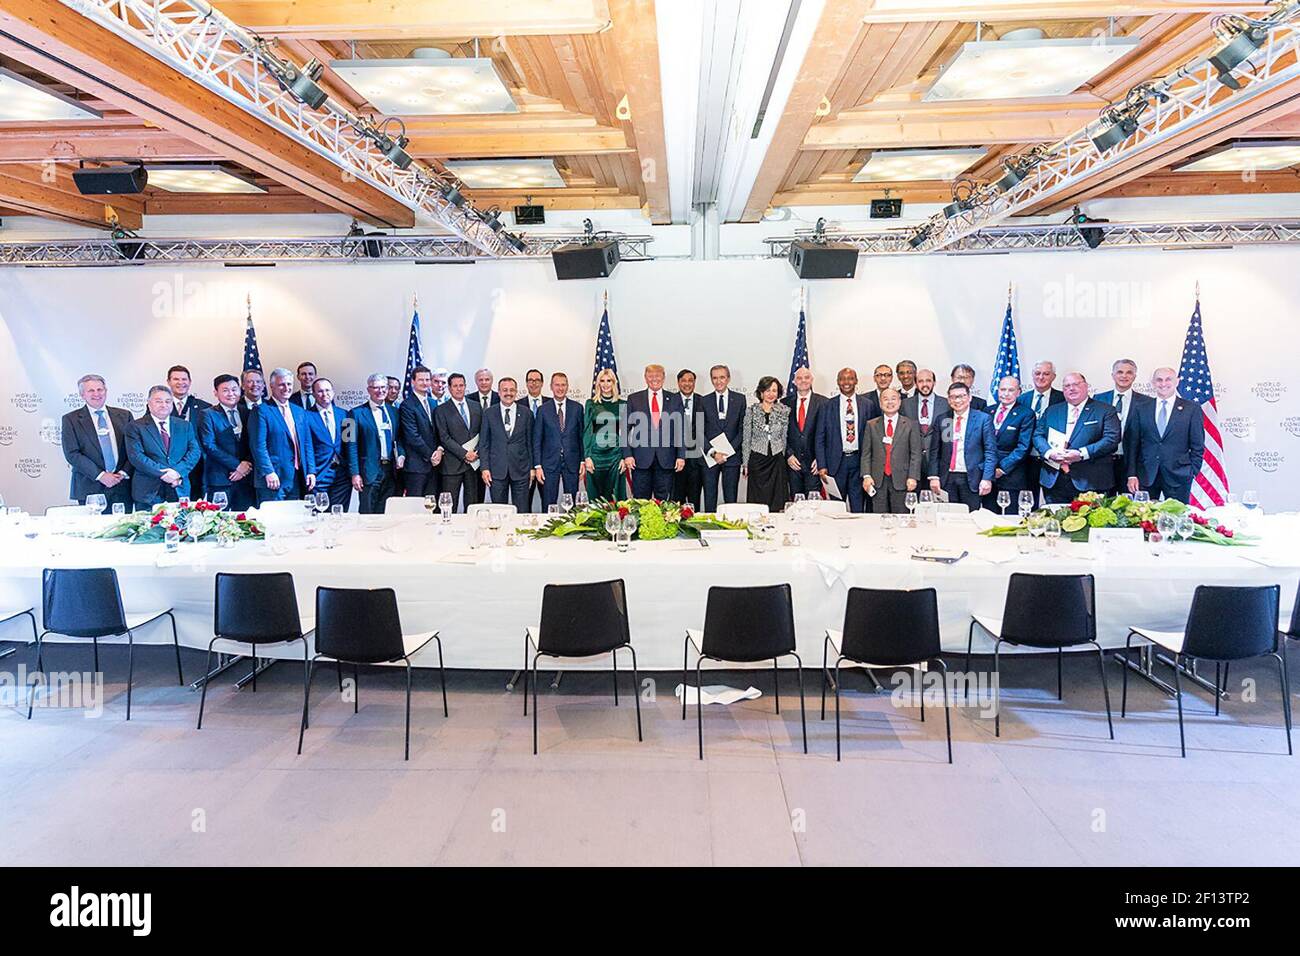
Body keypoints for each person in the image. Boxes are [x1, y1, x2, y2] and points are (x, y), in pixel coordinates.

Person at [1033, 371, 1121, 503]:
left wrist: (1081, 454)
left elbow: (1111, 440)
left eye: (1076, 384)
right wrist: (1049, 453)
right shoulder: (1052, 410)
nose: (1071, 389)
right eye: (1067, 386)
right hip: (1054, 480)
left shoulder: (1105, 410)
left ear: (1086, 386)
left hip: (1090, 481)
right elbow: (1038, 435)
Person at [1125, 367, 1205, 504]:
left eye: (1168, 379)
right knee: (1144, 520)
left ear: (1177, 382)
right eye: (1159, 380)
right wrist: (1132, 474)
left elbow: (1197, 445)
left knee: (1177, 519)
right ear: (1153, 383)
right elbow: (1133, 444)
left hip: (1179, 476)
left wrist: (1192, 472)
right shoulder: (1141, 408)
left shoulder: (1192, 409)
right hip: (1145, 476)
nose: (1163, 383)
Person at [61, 374, 132, 509]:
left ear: (106, 391)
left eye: (100, 389)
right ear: (82, 395)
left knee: (126, 529)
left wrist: (122, 473)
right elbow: (72, 453)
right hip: (90, 487)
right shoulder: (71, 419)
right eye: (91, 391)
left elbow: (133, 449)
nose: (96, 394)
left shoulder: (124, 415)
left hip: (122, 486)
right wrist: (101, 476)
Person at [125, 385, 201, 508]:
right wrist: (163, 474)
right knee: (148, 527)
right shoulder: (135, 426)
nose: (163, 405)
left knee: (180, 526)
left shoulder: (184, 425)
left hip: (178, 487)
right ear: (149, 404)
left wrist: (177, 472)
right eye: (158, 401)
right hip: (148, 492)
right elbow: (136, 456)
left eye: (167, 401)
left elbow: (194, 452)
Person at [249, 367, 318, 503]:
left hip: (296, 478)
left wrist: (311, 471)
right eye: (281, 384)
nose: (286, 388)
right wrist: (268, 471)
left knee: (293, 520)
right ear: (272, 386)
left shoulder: (299, 411)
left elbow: (307, 443)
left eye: (289, 384)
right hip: (273, 478)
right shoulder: (261, 411)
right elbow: (258, 446)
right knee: (273, 521)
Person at [813, 367, 877, 513]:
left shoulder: (868, 405)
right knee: (836, 507)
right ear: (837, 382)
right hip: (836, 463)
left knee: (858, 506)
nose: (846, 382)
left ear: (856, 381)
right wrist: (822, 465)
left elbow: (873, 437)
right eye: (842, 379)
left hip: (859, 462)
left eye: (850, 378)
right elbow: (820, 437)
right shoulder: (827, 405)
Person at [928, 382, 996, 511]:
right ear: (948, 399)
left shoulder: (983, 419)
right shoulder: (943, 419)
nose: (957, 400)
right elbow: (935, 452)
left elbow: (990, 452)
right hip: (946, 478)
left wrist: (987, 478)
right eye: (953, 397)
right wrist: (934, 477)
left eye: (961, 396)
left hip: (972, 478)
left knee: (971, 518)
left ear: (969, 397)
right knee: (947, 518)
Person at [622, 364, 685, 500]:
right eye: (650, 376)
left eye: (658, 375)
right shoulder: (634, 399)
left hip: (666, 459)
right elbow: (624, 429)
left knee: (664, 504)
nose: (654, 379)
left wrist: (681, 456)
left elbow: (680, 430)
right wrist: (627, 455)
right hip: (640, 460)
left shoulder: (675, 399)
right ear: (645, 378)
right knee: (640, 502)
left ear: (663, 378)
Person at [1095, 358, 1153, 494]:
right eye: (1120, 372)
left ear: (1134, 376)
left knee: (1128, 508)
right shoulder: (1098, 399)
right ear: (1113, 375)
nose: (1124, 376)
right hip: (1103, 463)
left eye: (1129, 372)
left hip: (1132, 465)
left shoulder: (1147, 402)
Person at [197, 374, 255, 512]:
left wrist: (246, 465)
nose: (231, 393)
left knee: (245, 522)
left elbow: (254, 442)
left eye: (234, 389)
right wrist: (237, 466)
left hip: (246, 478)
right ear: (215, 393)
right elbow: (209, 445)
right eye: (225, 390)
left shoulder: (248, 412)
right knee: (220, 523)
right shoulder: (207, 414)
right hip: (220, 478)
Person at [860, 387, 922, 514]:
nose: (890, 402)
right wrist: (866, 476)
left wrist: (913, 476)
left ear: (899, 402)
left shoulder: (911, 425)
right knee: (879, 517)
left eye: (893, 399)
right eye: (885, 399)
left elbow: (915, 454)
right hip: (877, 480)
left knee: (901, 517)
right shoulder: (871, 425)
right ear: (880, 403)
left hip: (903, 480)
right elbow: (866, 453)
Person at [347, 373, 403, 513]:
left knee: (387, 513)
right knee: (367, 513)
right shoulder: (353, 413)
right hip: (369, 472)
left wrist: (401, 454)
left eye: (383, 387)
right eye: (376, 388)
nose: (380, 391)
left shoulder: (395, 412)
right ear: (368, 390)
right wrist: (355, 473)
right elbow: (350, 446)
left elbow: (400, 439)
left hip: (391, 471)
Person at [479, 377, 534, 512]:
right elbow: (484, 443)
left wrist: (532, 468)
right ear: (498, 392)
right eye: (505, 390)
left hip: (521, 470)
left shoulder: (527, 413)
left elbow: (530, 443)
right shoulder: (489, 413)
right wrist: (484, 468)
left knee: (522, 510)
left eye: (511, 390)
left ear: (516, 392)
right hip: (496, 471)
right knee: (498, 511)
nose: (508, 393)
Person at [533, 371, 585, 509]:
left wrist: (582, 460)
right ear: (551, 386)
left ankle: (573, 529)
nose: (560, 388)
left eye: (563, 385)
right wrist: (537, 465)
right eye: (557, 385)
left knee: (573, 504)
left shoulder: (577, 408)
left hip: (572, 462)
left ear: (567, 386)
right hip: (549, 463)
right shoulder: (543, 410)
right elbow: (537, 439)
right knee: (549, 503)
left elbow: (581, 437)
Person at [984, 375, 1036, 512]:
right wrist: (988, 469)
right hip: (987, 476)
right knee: (987, 518)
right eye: (1003, 389)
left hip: (1011, 477)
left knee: (1009, 521)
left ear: (1019, 392)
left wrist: (1002, 469)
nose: (1006, 394)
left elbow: (1023, 448)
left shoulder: (1026, 414)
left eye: (1011, 390)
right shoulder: (988, 411)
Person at [433, 372, 483, 511]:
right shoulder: (441, 410)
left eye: (461, 385)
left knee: (472, 505)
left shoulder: (476, 406)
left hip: (473, 464)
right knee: (449, 505)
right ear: (449, 388)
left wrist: (475, 453)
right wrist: (464, 453)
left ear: (465, 386)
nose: (459, 388)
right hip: (452, 465)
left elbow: (483, 433)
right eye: (455, 386)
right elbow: (444, 437)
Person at [741, 376, 791, 513]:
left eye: (774, 391)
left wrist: (783, 455)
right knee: (758, 500)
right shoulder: (751, 411)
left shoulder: (784, 411)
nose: (771, 394)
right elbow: (746, 439)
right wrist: (745, 463)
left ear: (778, 393)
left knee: (778, 498)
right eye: (767, 390)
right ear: (761, 393)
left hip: (777, 460)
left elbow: (785, 436)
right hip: (757, 460)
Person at [700, 364, 745, 511]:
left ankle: (731, 528)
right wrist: (713, 453)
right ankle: (709, 529)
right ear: (711, 380)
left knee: (731, 499)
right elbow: (699, 432)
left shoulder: (740, 399)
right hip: (710, 457)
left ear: (728, 379)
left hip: (732, 457)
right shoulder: (703, 401)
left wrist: (728, 451)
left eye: (722, 377)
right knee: (709, 498)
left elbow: (742, 430)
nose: (718, 381)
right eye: (715, 378)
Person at [1017, 360, 1065, 498]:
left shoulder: (1063, 398)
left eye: (1046, 374)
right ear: (1032, 375)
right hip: (1026, 460)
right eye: (1037, 373)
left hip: (1053, 459)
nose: (1041, 377)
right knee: (1027, 500)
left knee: (1054, 501)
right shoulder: (1022, 399)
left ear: (1053, 377)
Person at [305, 377, 352, 511]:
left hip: (342, 475)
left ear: (333, 392)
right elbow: (307, 447)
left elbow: (351, 445)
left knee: (339, 514)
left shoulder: (346, 414)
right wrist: (311, 472)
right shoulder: (306, 416)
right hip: (319, 474)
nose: (324, 394)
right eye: (319, 391)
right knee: (318, 515)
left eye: (327, 390)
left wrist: (353, 471)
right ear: (313, 394)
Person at [398, 365, 443, 499]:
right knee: (416, 508)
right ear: (412, 381)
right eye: (421, 380)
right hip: (416, 467)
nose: (425, 383)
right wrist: (432, 455)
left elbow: (440, 431)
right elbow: (412, 436)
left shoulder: (433, 403)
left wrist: (440, 450)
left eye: (427, 380)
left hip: (435, 466)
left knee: (432, 507)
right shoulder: (407, 405)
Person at [782, 366, 827, 500]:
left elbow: (829, 435)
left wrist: (821, 459)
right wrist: (788, 455)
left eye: (806, 377)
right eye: (799, 378)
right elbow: (780, 434)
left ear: (812, 380)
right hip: (792, 463)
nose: (803, 381)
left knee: (814, 506)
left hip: (814, 464)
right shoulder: (784, 404)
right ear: (794, 381)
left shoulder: (824, 403)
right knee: (795, 504)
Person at [583, 368, 627, 502]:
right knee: (595, 497)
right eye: (602, 381)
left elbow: (626, 434)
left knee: (615, 497)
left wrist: (624, 457)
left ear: (614, 383)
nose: (605, 384)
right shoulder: (591, 404)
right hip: (595, 457)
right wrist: (587, 456)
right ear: (598, 383)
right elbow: (587, 431)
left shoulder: (623, 404)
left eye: (609, 381)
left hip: (615, 456)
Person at [167, 364, 209, 499]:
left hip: (197, 468)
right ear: (168, 382)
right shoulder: (159, 407)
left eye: (184, 379)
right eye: (176, 379)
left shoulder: (204, 407)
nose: (180, 383)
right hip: (170, 469)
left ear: (190, 382)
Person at [901, 368, 948, 481]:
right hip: (912, 464)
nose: (925, 384)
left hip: (937, 463)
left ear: (934, 383)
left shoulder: (946, 404)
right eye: (921, 381)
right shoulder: (905, 404)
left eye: (928, 380)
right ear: (916, 384)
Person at [673, 369, 706, 510]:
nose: (687, 384)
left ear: (694, 383)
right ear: (678, 382)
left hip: (696, 460)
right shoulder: (670, 400)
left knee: (694, 499)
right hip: (674, 458)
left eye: (690, 380)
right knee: (676, 500)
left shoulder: (703, 401)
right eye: (683, 380)